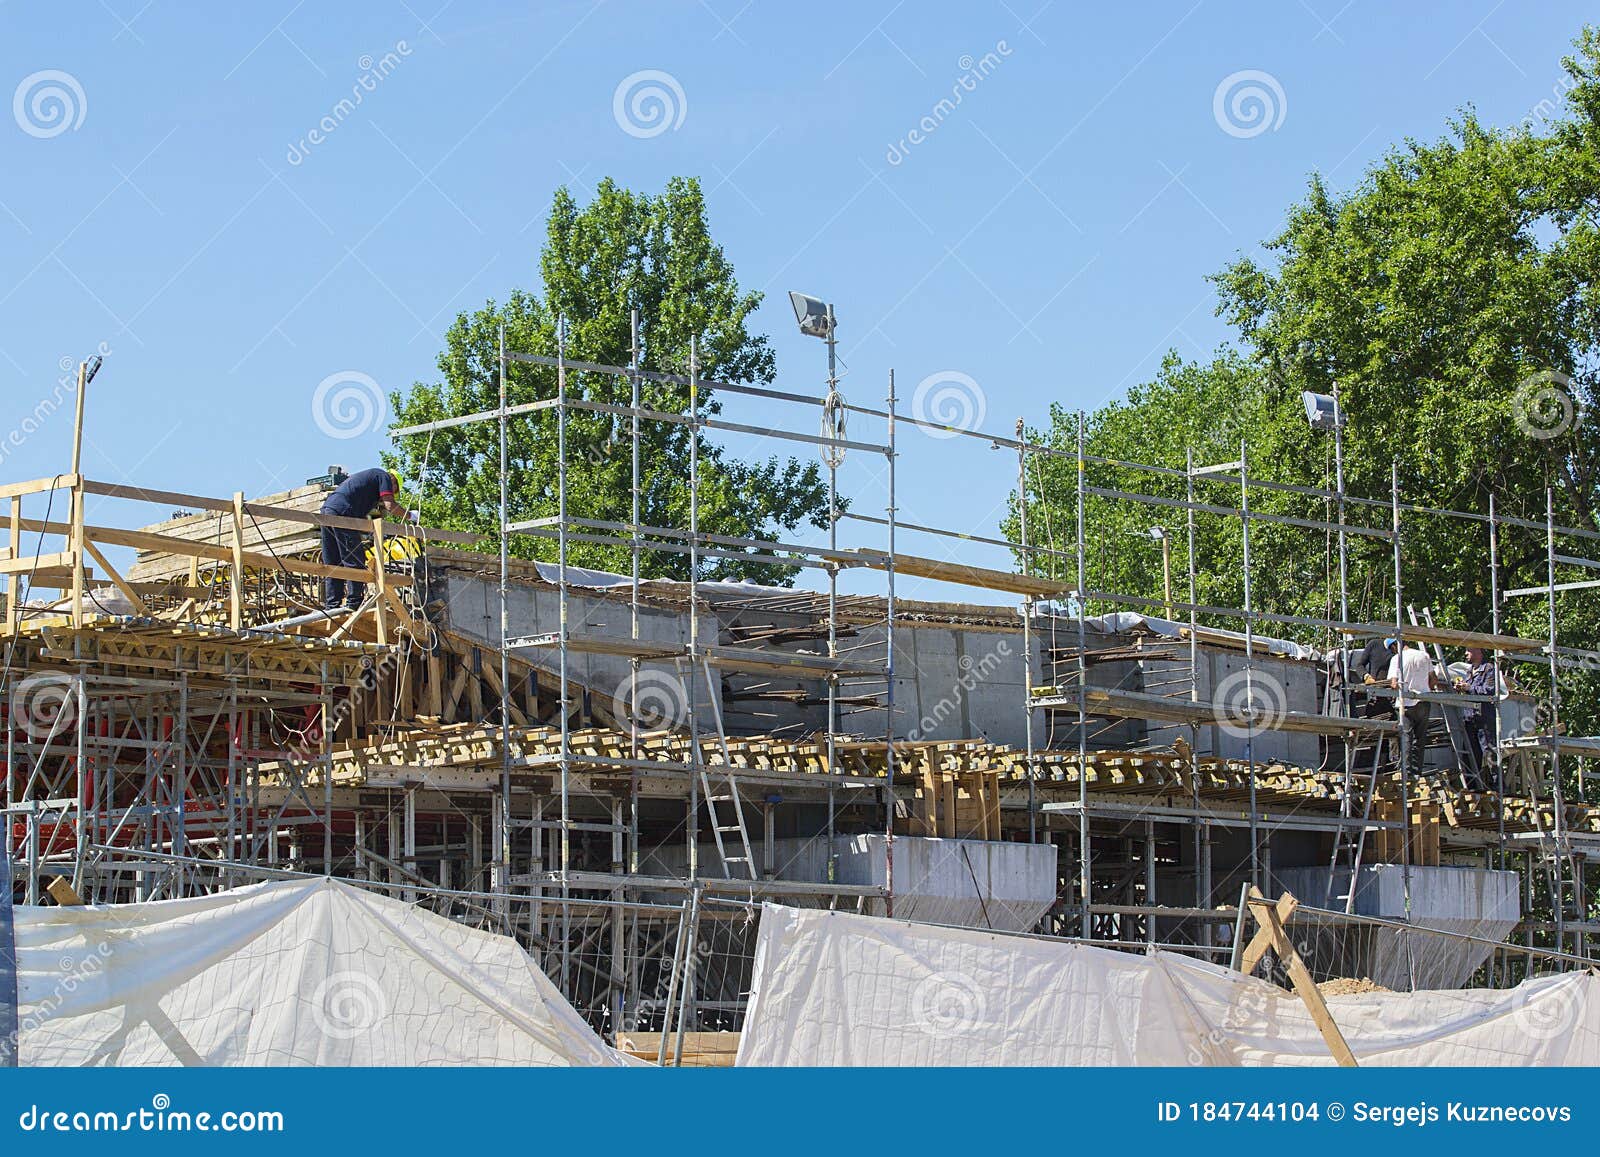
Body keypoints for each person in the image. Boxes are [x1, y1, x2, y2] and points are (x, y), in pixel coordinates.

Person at [319, 467, 413, 611]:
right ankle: (354, 602)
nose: (390, 493)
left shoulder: (369, 482)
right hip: (342, 512)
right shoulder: (384, 476)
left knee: (333, 561)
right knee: (354, 559)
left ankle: (332, 605)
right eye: (394, 490)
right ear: (394, 482)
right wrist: (410, 516)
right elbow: (390, 505)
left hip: (327, 509)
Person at [1387, 640, 1441, 780]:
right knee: (1420, 738)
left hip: (1405, 703)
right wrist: (1423, 689)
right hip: (1423, 701)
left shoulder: (1396, 659)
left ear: (1394, 646)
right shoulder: (1424, 655)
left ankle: (1407, 772)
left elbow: (1393, 684)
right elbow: (1434, 680)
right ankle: (1417, 772)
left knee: (1406, 737)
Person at [1453, 646, 1499, 790]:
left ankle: (1498, 786)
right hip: (1469, 718)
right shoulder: (1469, 671)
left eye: (1468, 650)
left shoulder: (1489, 669)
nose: (1466, 653)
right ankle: (1473, 787)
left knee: (1489, 752)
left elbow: (1489, 691)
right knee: (1471, 754)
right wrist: (1460, 688)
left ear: (1478, 651)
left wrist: (1469, 688)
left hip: (1483, 718)